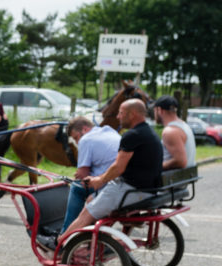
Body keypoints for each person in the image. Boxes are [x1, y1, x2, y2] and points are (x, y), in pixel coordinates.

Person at [38, 98, 162, 251]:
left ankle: (59, 243)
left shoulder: (132, 135)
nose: (118, 117)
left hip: (129, 190)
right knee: (91, 199)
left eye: (121, 113)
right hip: (146, 190)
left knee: (86, 211)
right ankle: (94, 241)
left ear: (133, 114)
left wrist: (99, 180)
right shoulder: (150, 133)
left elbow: (118, 167)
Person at [60, 116, 121, 232]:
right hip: (119, 179)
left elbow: (83, 175)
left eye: (76, 138)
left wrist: (77, 176)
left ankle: (67, 232)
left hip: (109, 183)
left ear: (84, 129)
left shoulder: (86, 140)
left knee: (76, 188)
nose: (77, 143)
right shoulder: (109, 130)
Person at [154, 95, 196, 170]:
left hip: (169, 178)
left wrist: (156, 166)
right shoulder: (184, 125)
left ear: (159, 110)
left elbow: (180, 161)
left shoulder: (170, 131)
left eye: (154, 110)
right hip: (181, 177)